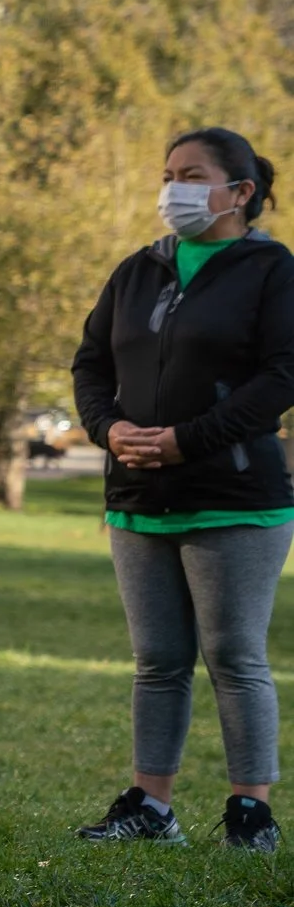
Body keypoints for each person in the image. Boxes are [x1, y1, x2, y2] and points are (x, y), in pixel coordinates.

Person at [70, 128, 293, 853]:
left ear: (240, 191)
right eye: (169, 173)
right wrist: (109, 430)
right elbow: (91, 364)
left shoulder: (270, 270)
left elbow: (280, 379)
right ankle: (152, 806)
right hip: (138, 497)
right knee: (158, 659)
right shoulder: (137, 270)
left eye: (192, 174)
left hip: (234, 497)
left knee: (234, 654)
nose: (175, 188)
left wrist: (185, 438)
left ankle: (250, 812)